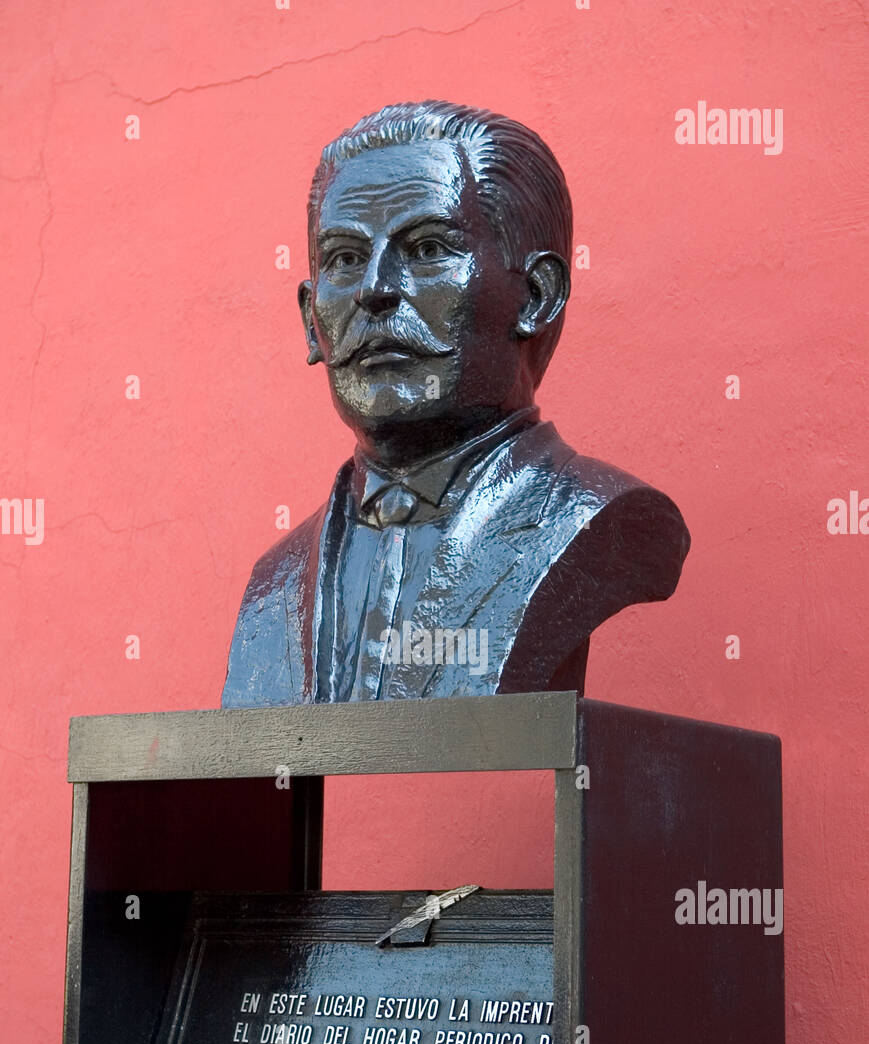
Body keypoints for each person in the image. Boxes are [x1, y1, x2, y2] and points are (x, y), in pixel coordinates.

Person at [222, 101, 689, 706]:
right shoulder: (273, 588)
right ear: (312, 321)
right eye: (344, 258)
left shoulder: (592, 517)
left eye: (426, 249)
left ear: (536, 296)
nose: (376, 290)